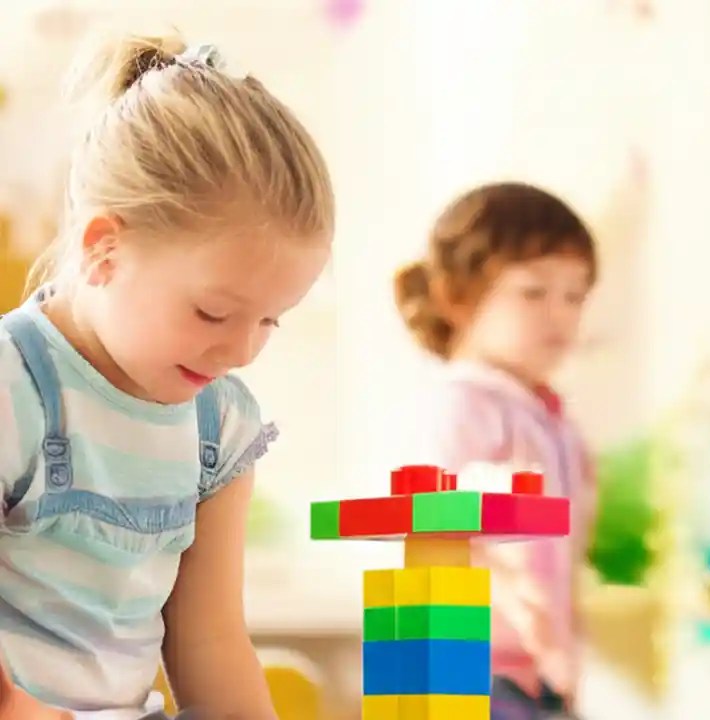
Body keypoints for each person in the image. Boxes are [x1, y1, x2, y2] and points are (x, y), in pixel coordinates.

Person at [0, 34, 334, 719]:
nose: (241, 350)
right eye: (214, 312)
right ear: (104, 249)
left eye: (271, 321)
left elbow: (208, 640)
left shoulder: (219, 427)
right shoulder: (16, 386)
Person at [394, 182, 598, 720]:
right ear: (456, 297)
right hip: (472, 671)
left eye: (575, 295)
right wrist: (523, 608)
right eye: (533, 292)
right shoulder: (464, 404)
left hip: (535, 671)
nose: (560, 313)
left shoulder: (547, 414)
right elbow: (435, 534)